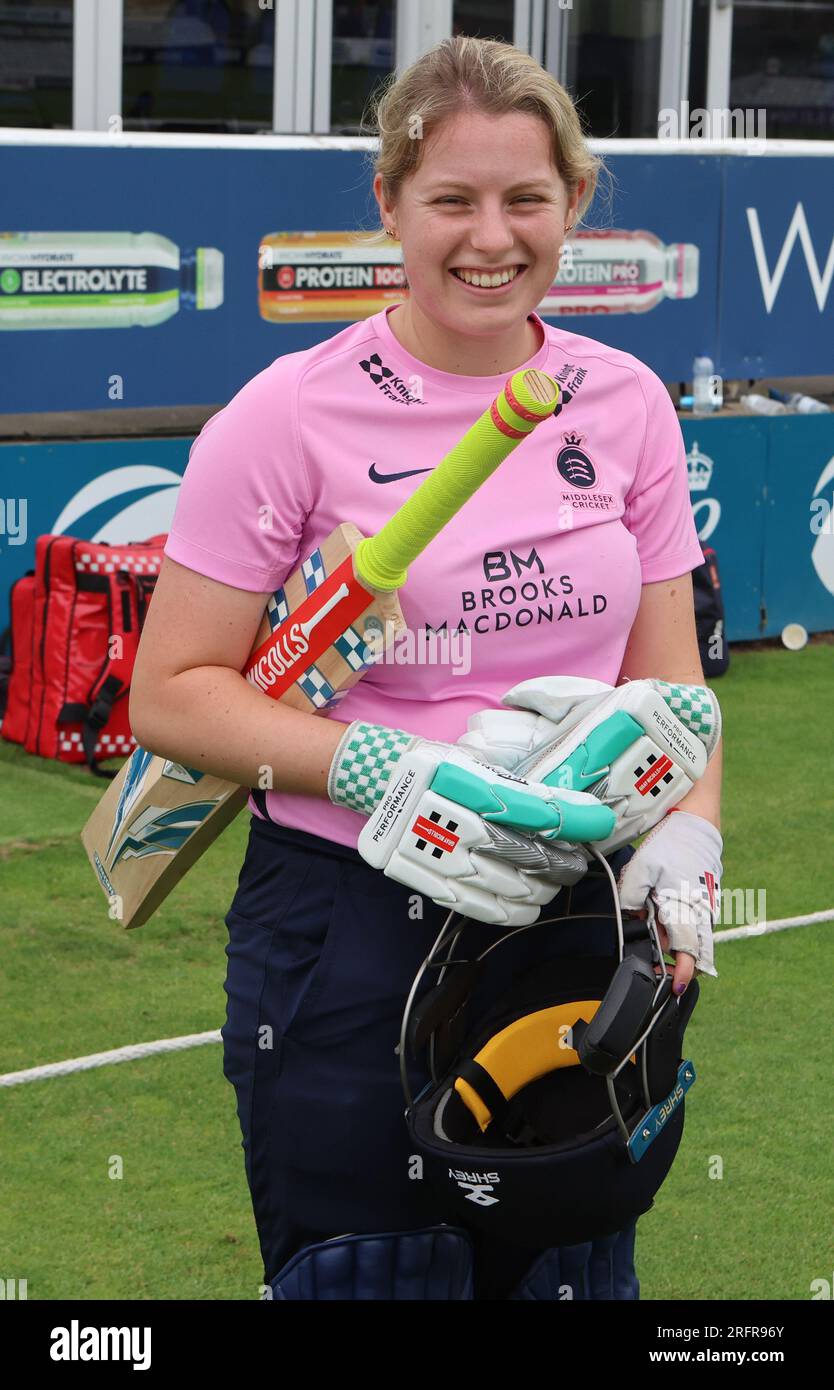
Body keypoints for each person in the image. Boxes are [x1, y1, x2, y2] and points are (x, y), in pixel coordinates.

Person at [130, 35, 723, 1301]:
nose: (489, 236)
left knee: (570, 1262)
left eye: (526, 198)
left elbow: (675, 687)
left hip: (576, 910)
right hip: (348, 928)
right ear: (392, 203)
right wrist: (378, 765)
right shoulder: (286, 413)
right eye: (452, 198)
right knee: (372, 1280)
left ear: (574, 202)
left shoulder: (623, 402)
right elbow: (173, 689)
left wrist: (686, 848)